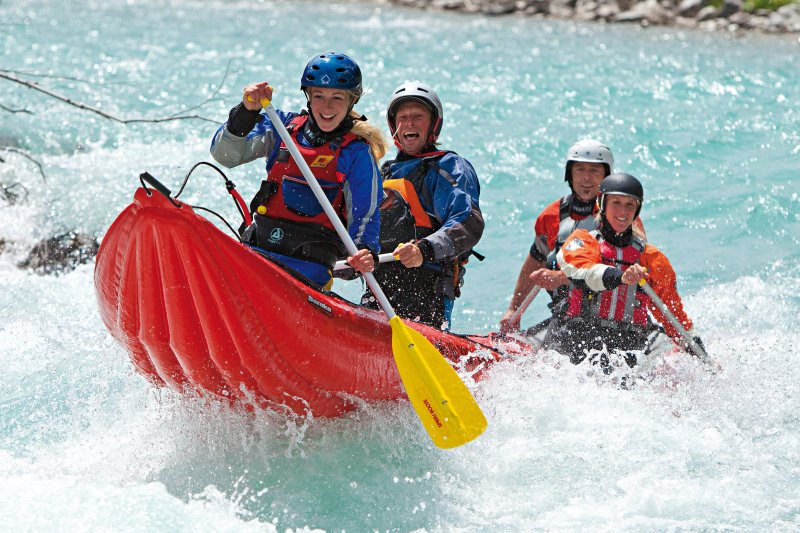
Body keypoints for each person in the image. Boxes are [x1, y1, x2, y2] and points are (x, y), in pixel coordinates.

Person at [210, 52, 389, 288]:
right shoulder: (282, 128)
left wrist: (366, 250)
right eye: (319, 96)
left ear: (351, 101)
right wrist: (246, 112)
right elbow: (225, 155)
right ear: (308, 97)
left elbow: (365, 213)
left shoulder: (356, 153)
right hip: (258, 249)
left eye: (337, 97)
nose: (327, 106)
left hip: (310, 266)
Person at [545, 173, 705, 372]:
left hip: (628, 345)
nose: (623, 211)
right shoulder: (581, 241)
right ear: (602, 205)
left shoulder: (652, 259)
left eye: (630, 205)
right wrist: (622, 277)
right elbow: (586, 273)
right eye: (616, 203)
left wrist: (702, 356)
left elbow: (674, 317)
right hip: (580, 340)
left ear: (637, 209)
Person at [360, 82, 484, 329]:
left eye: (418, 116)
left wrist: (423, 250)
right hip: (379, 287)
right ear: (394, 127)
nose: (409, 123)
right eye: (402, 118)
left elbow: (468, 222)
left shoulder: (449, 166)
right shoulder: (383, 173)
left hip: (427, 291)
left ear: (433, 124)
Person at [500, 139, 628, 334]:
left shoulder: (622, 216)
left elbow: (622, 267)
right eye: (580, 169)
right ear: (570, 174)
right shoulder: (551, 216)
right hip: (567, 320)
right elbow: (536, 260)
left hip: (613, 321)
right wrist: (514, 310)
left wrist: (560, 277)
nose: (586, 178)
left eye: (594, 171)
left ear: (606, 176)